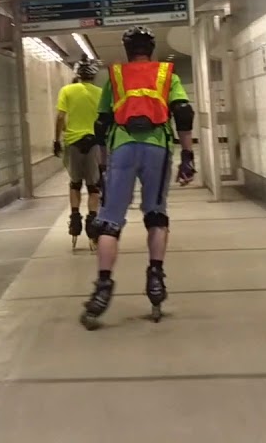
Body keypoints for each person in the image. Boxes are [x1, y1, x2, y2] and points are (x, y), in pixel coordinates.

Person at [81, 27, 196, 329]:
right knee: (156, 214)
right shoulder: (167, 75)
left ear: (127, 50)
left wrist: (104, 167)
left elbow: (102, 124)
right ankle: (155, 277)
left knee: (110, 219)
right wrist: (187, 155)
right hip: (157, 148)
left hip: (122, 148)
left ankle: (103, 287)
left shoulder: (115, 77)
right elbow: (183, 113)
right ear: (152, 48)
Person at [54, 59, 104, 249]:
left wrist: (56, 140)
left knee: (75, 183)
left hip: (73, 142)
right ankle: (92, 222)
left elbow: (60, 117)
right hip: (93, 143)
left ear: (77, 74)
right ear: (93, 75)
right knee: (94, 187)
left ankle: (75, 218)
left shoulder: (67, 91)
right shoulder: (100, 93)